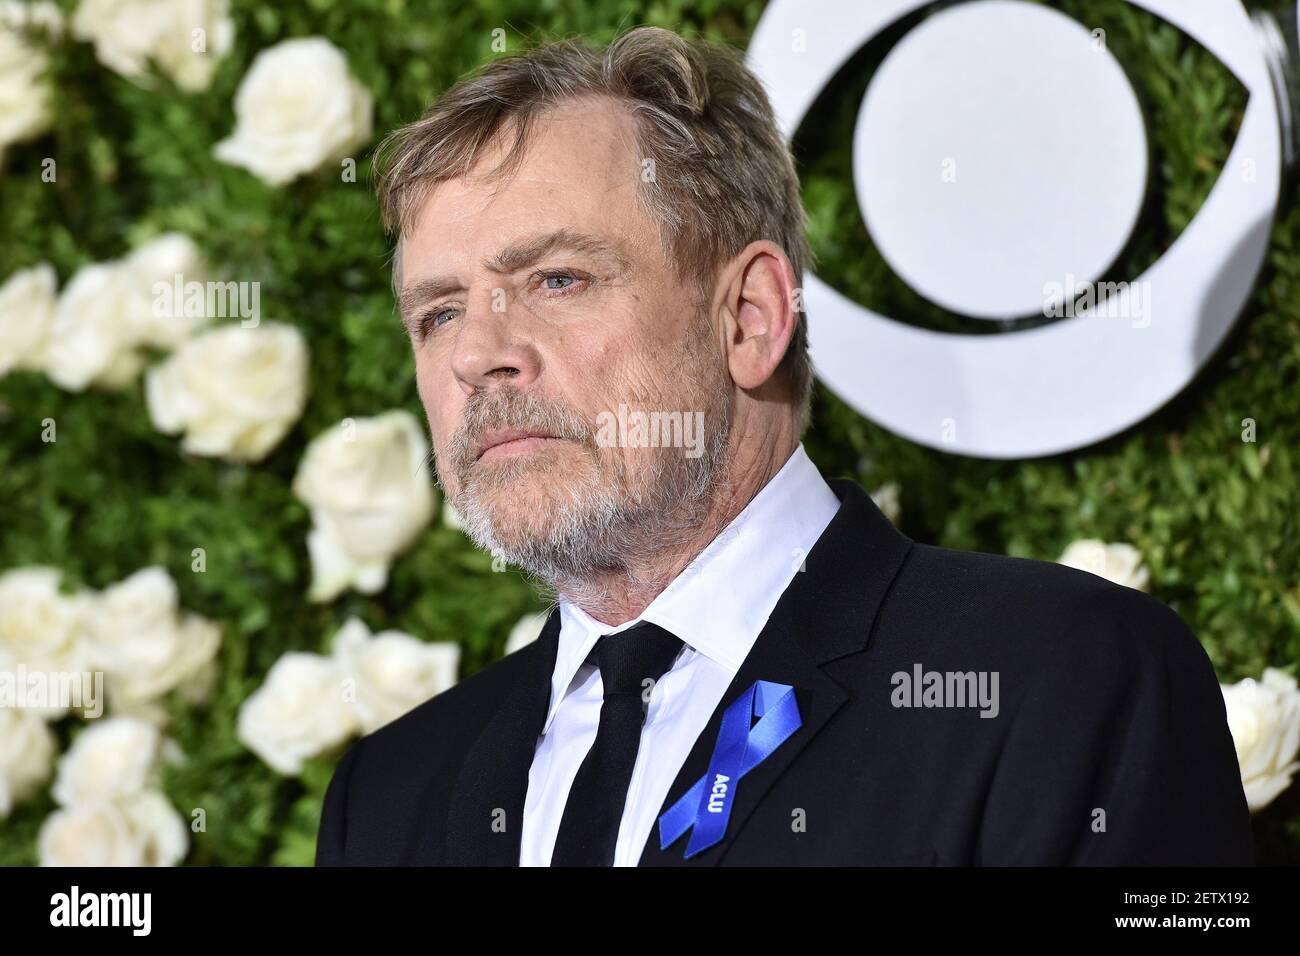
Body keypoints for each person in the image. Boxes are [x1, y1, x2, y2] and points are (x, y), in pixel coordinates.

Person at [315, 26, 1251, 866]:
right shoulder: (390, 799)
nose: (480, 355)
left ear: (751, 317)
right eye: (438, 313)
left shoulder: (1058, 684)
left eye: (557, 279)